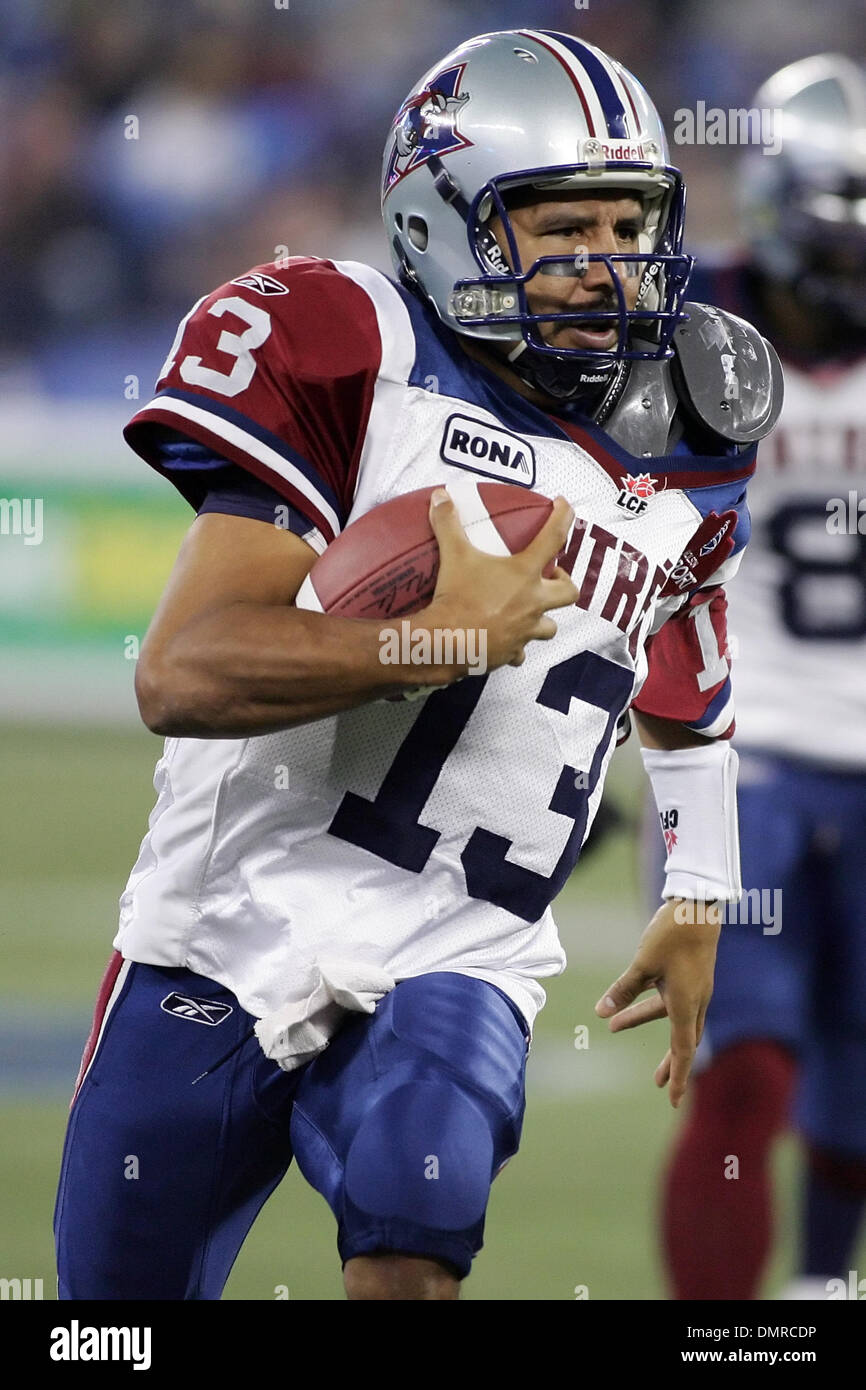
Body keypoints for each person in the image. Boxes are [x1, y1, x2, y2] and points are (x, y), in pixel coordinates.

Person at [53, 29, 780, 1301]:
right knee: (108, 1317)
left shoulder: (693, 420)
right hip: (221, 926)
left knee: (413, 1216)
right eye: (565, 230)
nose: (610, 268)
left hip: (459, 944)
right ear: (444, 222)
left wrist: (701, 884)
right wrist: (438, 639)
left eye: (630, 228)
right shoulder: (345, 343)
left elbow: (690, 628)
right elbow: (182, 672)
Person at [657, 54, 866, 1301]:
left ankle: (817, 1296)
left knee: (855, 1084)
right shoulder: (686, 334)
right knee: (743, 1072)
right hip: (733, 754)